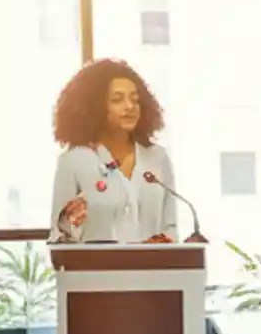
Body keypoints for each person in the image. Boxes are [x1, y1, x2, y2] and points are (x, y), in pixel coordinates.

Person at [50, 59, 178, 243]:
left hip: (152, 269)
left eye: (135, 99)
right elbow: (59, 236)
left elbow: (171, 227)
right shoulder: (73, 161)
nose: (129, 107)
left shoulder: (158, 158)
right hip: (95, 270)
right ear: (95, 107)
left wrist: (163, 244)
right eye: (118, 100)